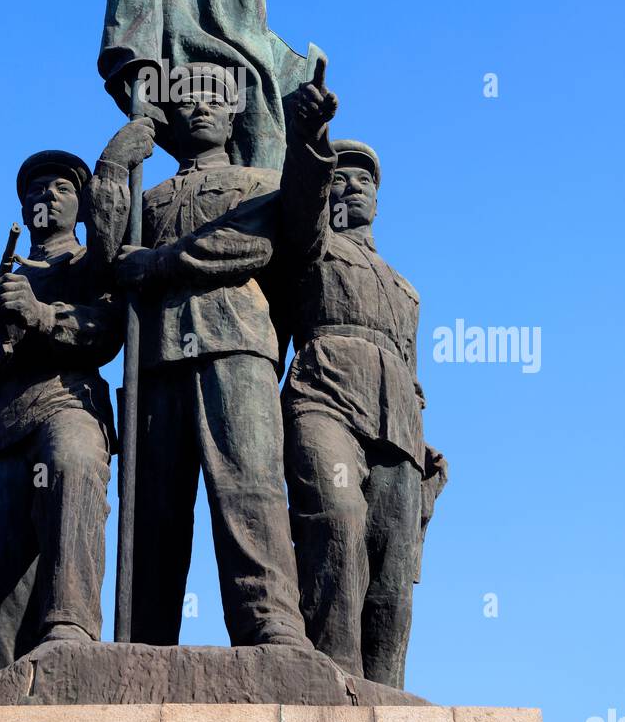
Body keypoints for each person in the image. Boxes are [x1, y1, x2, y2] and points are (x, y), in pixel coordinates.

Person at [85, 63, 312, 650]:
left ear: (235, 112)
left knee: (250, 487)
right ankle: (143, 639)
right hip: (155, 359)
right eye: (186, 100)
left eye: (214, 99)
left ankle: (272, 623)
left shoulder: (260, 183)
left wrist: (160, 262)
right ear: (169, 118)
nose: (200, 108)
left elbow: (255, 242)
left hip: (235, 346)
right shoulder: (148, 198)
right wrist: (113, 167)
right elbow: (105, 259)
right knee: (152, 510)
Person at [280, 78, 446, 688]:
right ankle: (333, 682)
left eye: (364, 179)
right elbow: (300, 205)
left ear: (379, 197)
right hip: (324, 396)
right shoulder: (308, 244)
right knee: (337, 525)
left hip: (398, 426)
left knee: (392, 570)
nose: (352, 186)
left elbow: (413, 374)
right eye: (341, 178)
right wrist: (313, 141)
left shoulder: (407, 290)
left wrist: (424, 440)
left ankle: (384, 694)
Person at [0, 150, 121, 673]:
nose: (46, 196)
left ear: (83, 205)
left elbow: (107, 333)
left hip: (68, 401)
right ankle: (2, 674)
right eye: (36, 190)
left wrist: (40, 315)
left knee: (74, 465)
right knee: (0, 562)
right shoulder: (7, 277)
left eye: (61, 189)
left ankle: (71, 628)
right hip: (3, 423)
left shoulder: (91, 264)